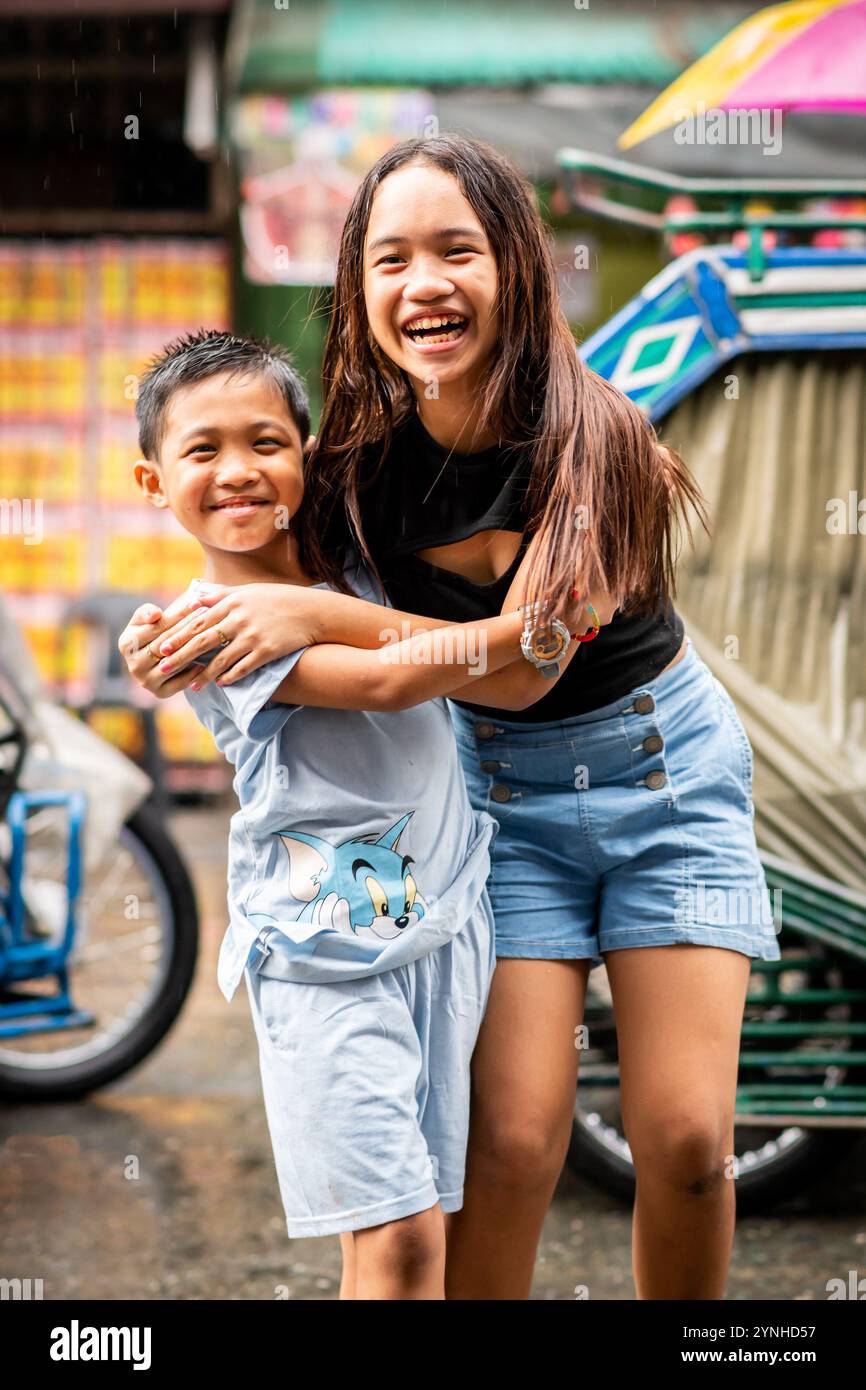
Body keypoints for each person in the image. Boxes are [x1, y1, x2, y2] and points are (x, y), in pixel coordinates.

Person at [120, 134, 780, 1301]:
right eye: (390, 259)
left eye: (455, 251)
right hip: (498, 804)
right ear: (358, 286)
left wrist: (310, 611)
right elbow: (243, 538)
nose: (423, 283)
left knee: (683, 1141)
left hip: (661, 773)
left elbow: (526, 668)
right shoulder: (352, 469)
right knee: (510, 1143)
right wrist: (162, 631)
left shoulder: (597, 440)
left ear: (514, 264)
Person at [125, 327, 625, 1300]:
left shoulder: (355, 555)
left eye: (266, 442)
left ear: (308, 455)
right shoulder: (205, 627)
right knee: (393, 1242)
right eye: (202, 450)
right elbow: (389, 677)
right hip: (323, 959)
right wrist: (530, 632)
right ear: (154, 482)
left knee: (425, 1230)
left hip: (443, 935)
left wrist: (538, 613)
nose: (239, 470)